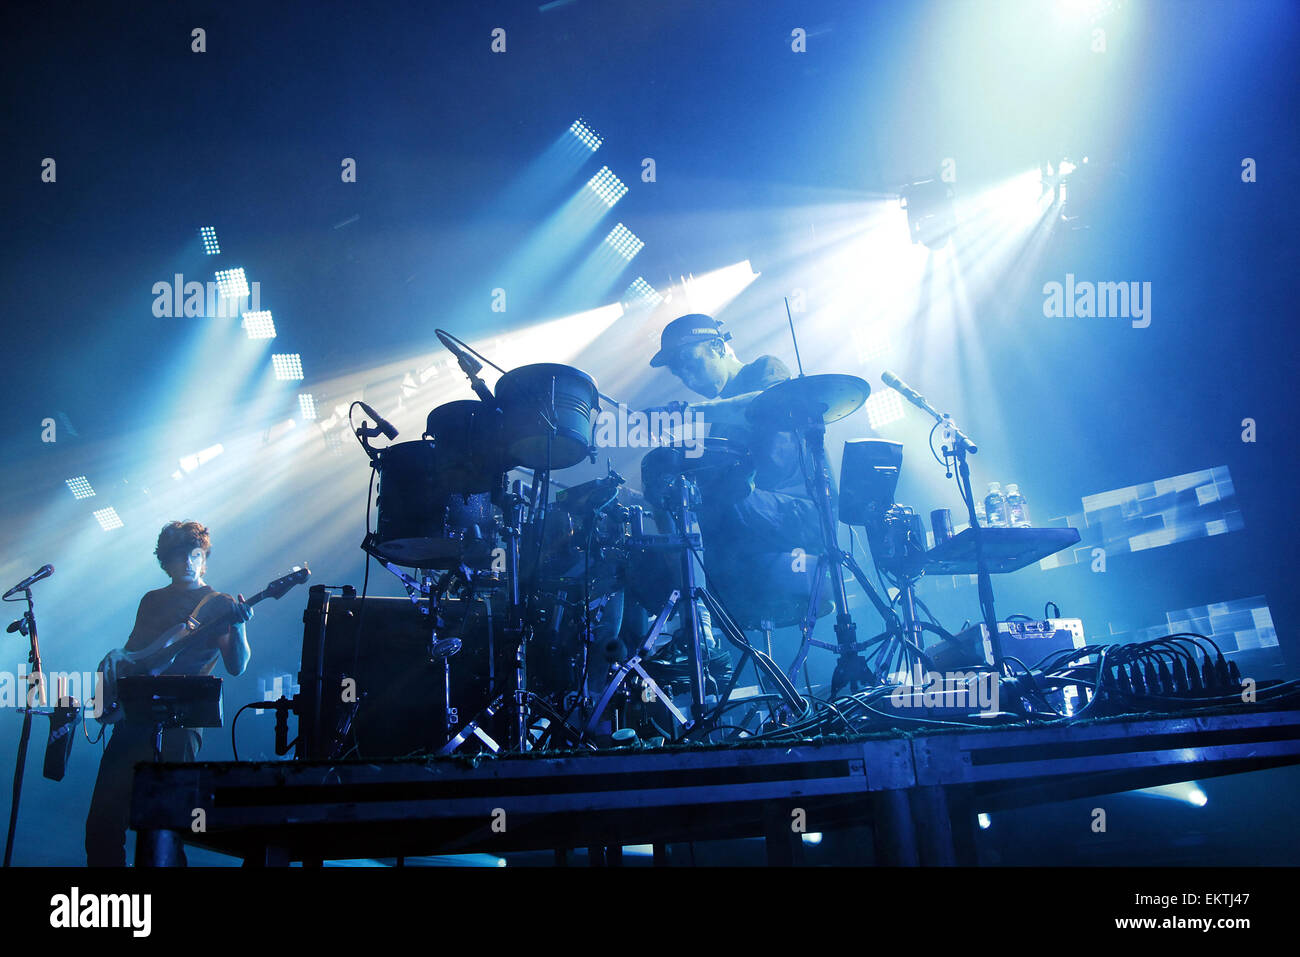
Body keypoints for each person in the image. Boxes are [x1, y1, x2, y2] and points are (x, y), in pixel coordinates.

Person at [643, 314, 827, 631]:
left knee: (709, 504)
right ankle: (697, 636)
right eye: (678, 371)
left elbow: (767, 409)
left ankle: (700, 625)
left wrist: (686, 412)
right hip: (754, 520)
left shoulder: (764, 369)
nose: (687, 377)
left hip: (799, 513)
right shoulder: (720, 424)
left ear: (717, 346)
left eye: (690, 362)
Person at [84, 520, 253, 866]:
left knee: (165, 827)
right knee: (102, 823)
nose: (189, 563)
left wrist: (238, 627)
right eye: (180, 557)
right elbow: (135, 656)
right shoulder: (151, 600)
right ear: (166, 562)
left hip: (182, 724)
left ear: (204, 557)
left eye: (195, 555)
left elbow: (237, 665)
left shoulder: (218, 604)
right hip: (134, 718)